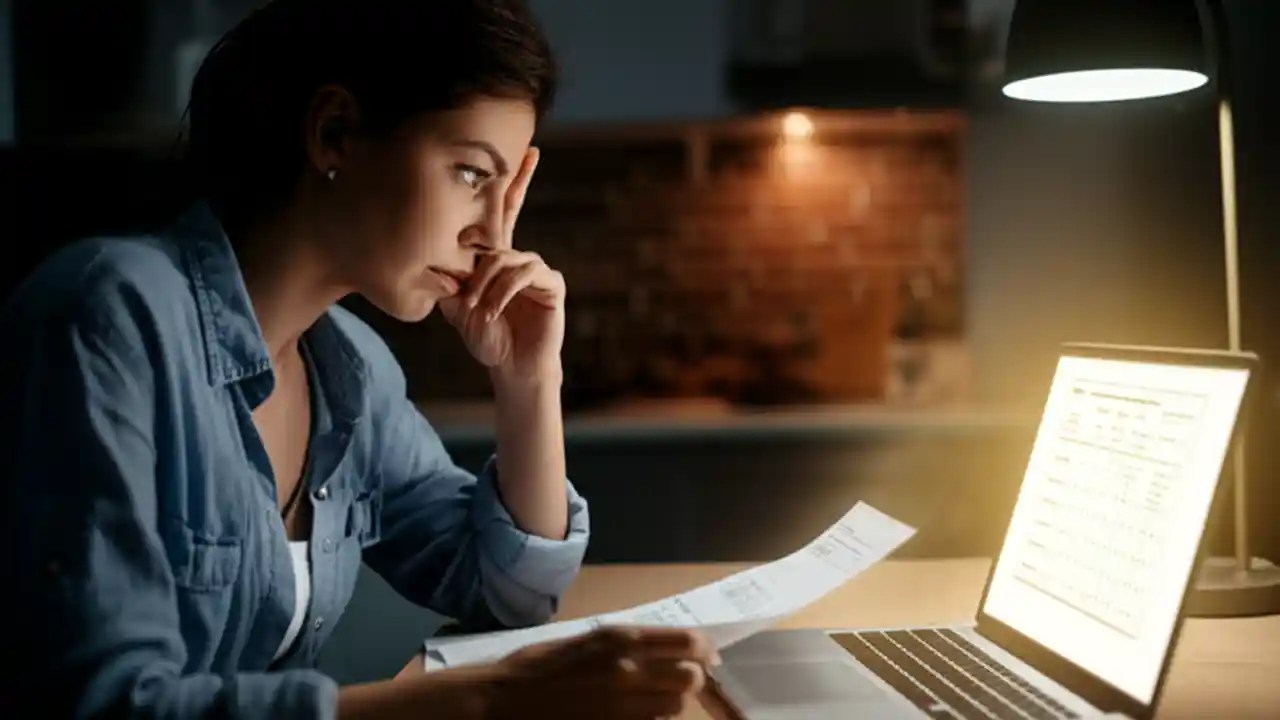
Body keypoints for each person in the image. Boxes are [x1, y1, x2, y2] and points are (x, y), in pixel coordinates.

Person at [1, 1, 714, 717]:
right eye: (471, 173)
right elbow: (105, 704)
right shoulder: (108, 316)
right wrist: (487, 699)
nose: (494, 235)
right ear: (334, 133)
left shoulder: (349, 369)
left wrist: (528, 381)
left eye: (508, 191)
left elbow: (509, 588)